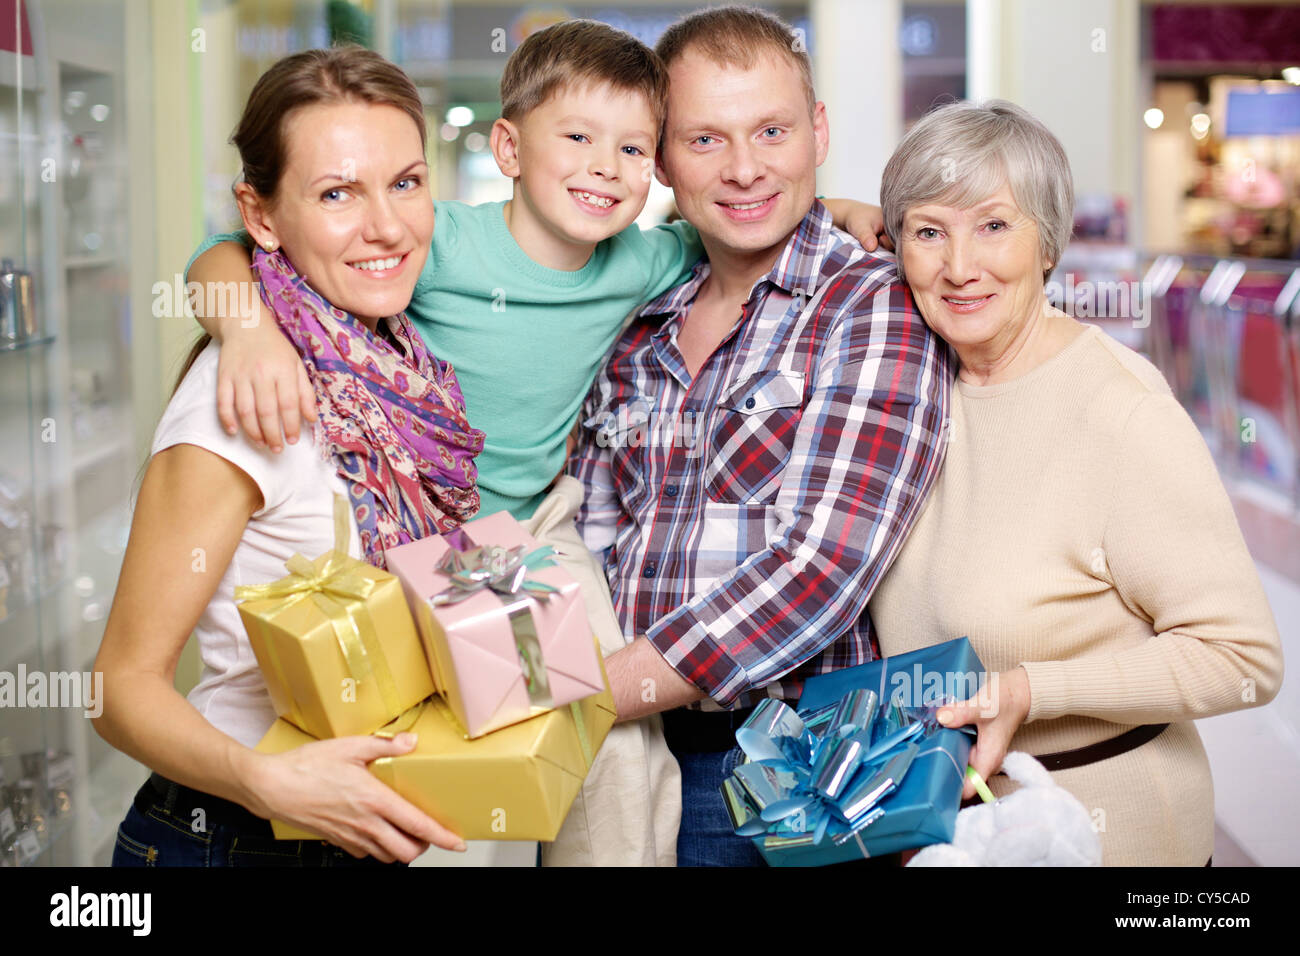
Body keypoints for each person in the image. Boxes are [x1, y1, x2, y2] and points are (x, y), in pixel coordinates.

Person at [184, 20, 890, 866]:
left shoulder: (646, 261)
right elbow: (228, 250)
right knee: (428, 731)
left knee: (613, 735)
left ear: (655, 167)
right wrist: (247, 333)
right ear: (509, 148)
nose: (605, 166)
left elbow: (750, 228)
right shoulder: (432, 238)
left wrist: (838, 207)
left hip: (539, 525)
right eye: (579, 138)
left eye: (633, 148)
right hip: (422, 524)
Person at [568, 5, 953, 866]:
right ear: (662, 157)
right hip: (617, 753)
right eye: (704, 140)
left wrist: (579, 696)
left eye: (771, 131)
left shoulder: (872, 300)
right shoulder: (638, 318)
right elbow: (591, 536)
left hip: (778, 766)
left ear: (817, 131)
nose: (744, 170)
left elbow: (823, 567)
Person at [868, 98, 1284, 866]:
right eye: (930, 231)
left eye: (995, 225)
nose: (960, 266)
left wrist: (1032, 689)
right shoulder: (910, 387)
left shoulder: (1120, 412)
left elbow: (1243, 658)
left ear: (1050, 242)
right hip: (948, 834)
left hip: (1103, 829)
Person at [93, 46, 479, 867]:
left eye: (406, 183)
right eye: (336, 193)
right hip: (230, 834)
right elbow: (116, 690)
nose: (387, 226)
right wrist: (268, 782)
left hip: (343, 825)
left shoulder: (397, 366)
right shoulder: (240, 403)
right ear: (261, 216)